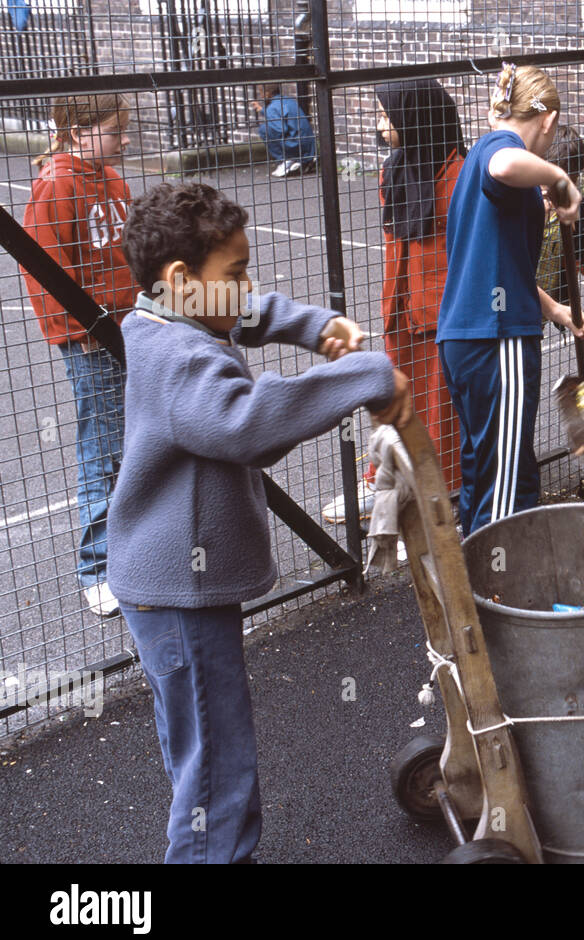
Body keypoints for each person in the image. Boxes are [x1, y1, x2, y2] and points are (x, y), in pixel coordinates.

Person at [110, 181, 411, 862]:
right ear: (183, 278)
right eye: (237, 271)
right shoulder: (183, 359)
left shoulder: (165, 314)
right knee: (217, 772)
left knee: (200, 752)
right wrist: (365, 376)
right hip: (180, 596)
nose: (248, 286)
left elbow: (244, 312)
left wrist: (316, 326)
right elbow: (246, 421)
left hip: (165, 587)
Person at [437, 64, 584, 535]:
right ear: (547, 120)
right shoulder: (501, 152)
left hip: (466, 338)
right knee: (508, 479)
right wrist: (562, 181)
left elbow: (496, 261)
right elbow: (506, 166)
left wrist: (553, 308)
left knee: (486, 466)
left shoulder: (477, 153)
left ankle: (481, 579)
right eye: (554, 129)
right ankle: (498, 593)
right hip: (496, 340)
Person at [321, 77, 465, 525]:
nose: (381, 123)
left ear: (417, 117)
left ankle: (435, 501)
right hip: (401, 304)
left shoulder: (459, 171)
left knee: (439, 404)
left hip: (443, 309)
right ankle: (383, 479)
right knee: (393, 398)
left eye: (389, 115)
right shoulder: (393, 168)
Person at [21, 94, 136, 617]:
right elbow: (44, 270)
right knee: (103, 445)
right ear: (77, 132)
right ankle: (97, 566)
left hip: (131, 325)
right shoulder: (56, 185)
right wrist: (76, 329)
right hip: (90, 336)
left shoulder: (112, 180)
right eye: (115, 131)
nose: (125, 140)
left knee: (138, 438)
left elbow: (130, 253)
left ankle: (134, 550)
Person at [536, 124, 584, 307]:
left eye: (568, 182)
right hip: (509, 309)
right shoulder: (522, 200)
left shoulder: (575, 210)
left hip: (543, 312)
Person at [251, 83, 317, 178]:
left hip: (296, 145)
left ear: (267, 94)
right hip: (308, 144)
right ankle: (305, 159)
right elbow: (281, 114)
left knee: (264, 130)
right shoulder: (289, 100)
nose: (260, 96)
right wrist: (263, 110)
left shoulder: (272, 108)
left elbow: (280, 129)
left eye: (261, 92)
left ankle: (287, 160)